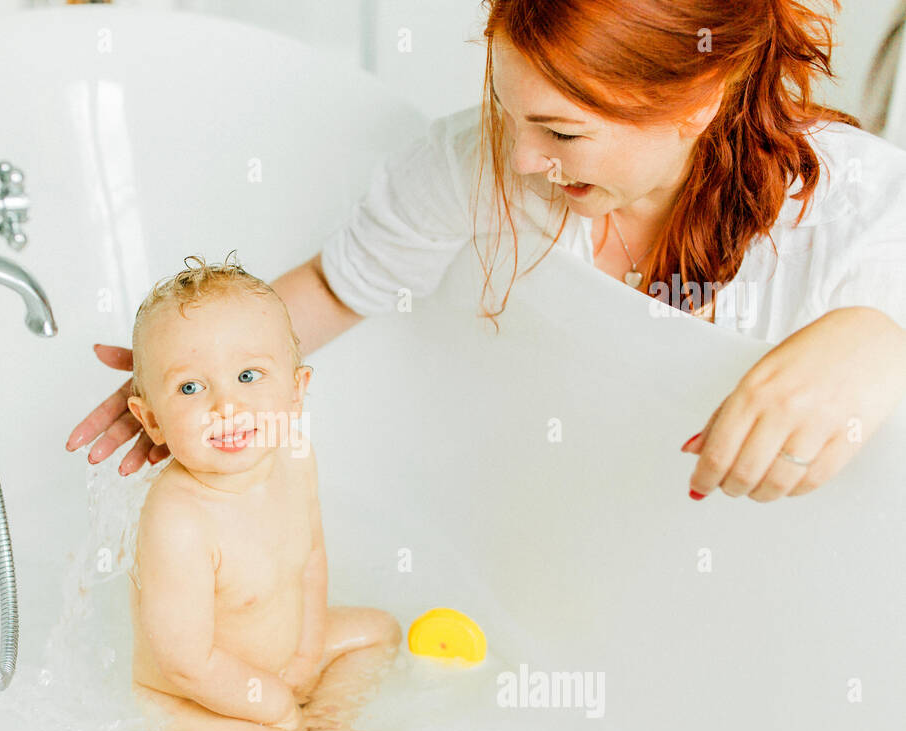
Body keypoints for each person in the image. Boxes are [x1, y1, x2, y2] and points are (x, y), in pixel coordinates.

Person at [67, 0, 906, 504]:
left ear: (698, 101)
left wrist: (878, 337)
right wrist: (194, 376)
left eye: (561, 131)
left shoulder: (856, 209)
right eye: (510, 113)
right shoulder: (478, 164)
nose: (520, 160)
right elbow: (339, 282)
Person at [29, 255, 410, 731]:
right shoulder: (180, 519)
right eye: (189, 387)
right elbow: (186, 663)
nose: (225, 407)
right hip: (193, 702)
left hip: (281, 664)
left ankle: (327, 721)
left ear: (296, 389)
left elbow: (309, 557)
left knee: (377, 631)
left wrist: (306, 653)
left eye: (249, 377)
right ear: (151, 420)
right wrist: (273, 706)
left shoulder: (294, 454)